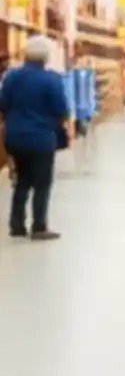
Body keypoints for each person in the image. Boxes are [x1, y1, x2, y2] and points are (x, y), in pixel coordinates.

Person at [0, 36, 71, 240]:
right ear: (46, 58)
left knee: (21, 180)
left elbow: (2, 104)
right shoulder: (52, 80)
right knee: (42, 182)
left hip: (14, 138)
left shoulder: (11, 77)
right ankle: (39, 226)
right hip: (41, 138)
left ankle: (17, 225)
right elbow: (61, 110)